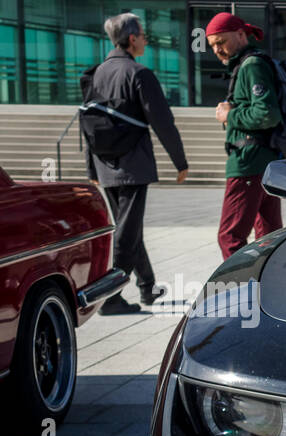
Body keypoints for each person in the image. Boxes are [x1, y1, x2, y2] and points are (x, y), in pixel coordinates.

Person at [84, 13, 188, 315]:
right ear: (132, 39)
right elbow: (163, 121)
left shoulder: (95, 74)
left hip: (105, 164)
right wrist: (180, 161)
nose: (145, 40)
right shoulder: (139, 74)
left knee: (129, 227)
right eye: (143, 35)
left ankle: (147, 287)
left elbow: (87, 124)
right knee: (127, 232)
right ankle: (110, 296)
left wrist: (92, 170)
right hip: (133, 165)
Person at [205, 12, 284, 259]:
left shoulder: (252, 65)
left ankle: (242, 291)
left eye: (221, 41)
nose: (217, 49)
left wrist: (231, 115)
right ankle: (270, 285)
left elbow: (267, 113)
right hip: (263, 159)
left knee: (230, 237)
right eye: (212, 45)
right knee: (268, 235)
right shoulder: (248, 64)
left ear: (240, 35)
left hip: (249, 160)